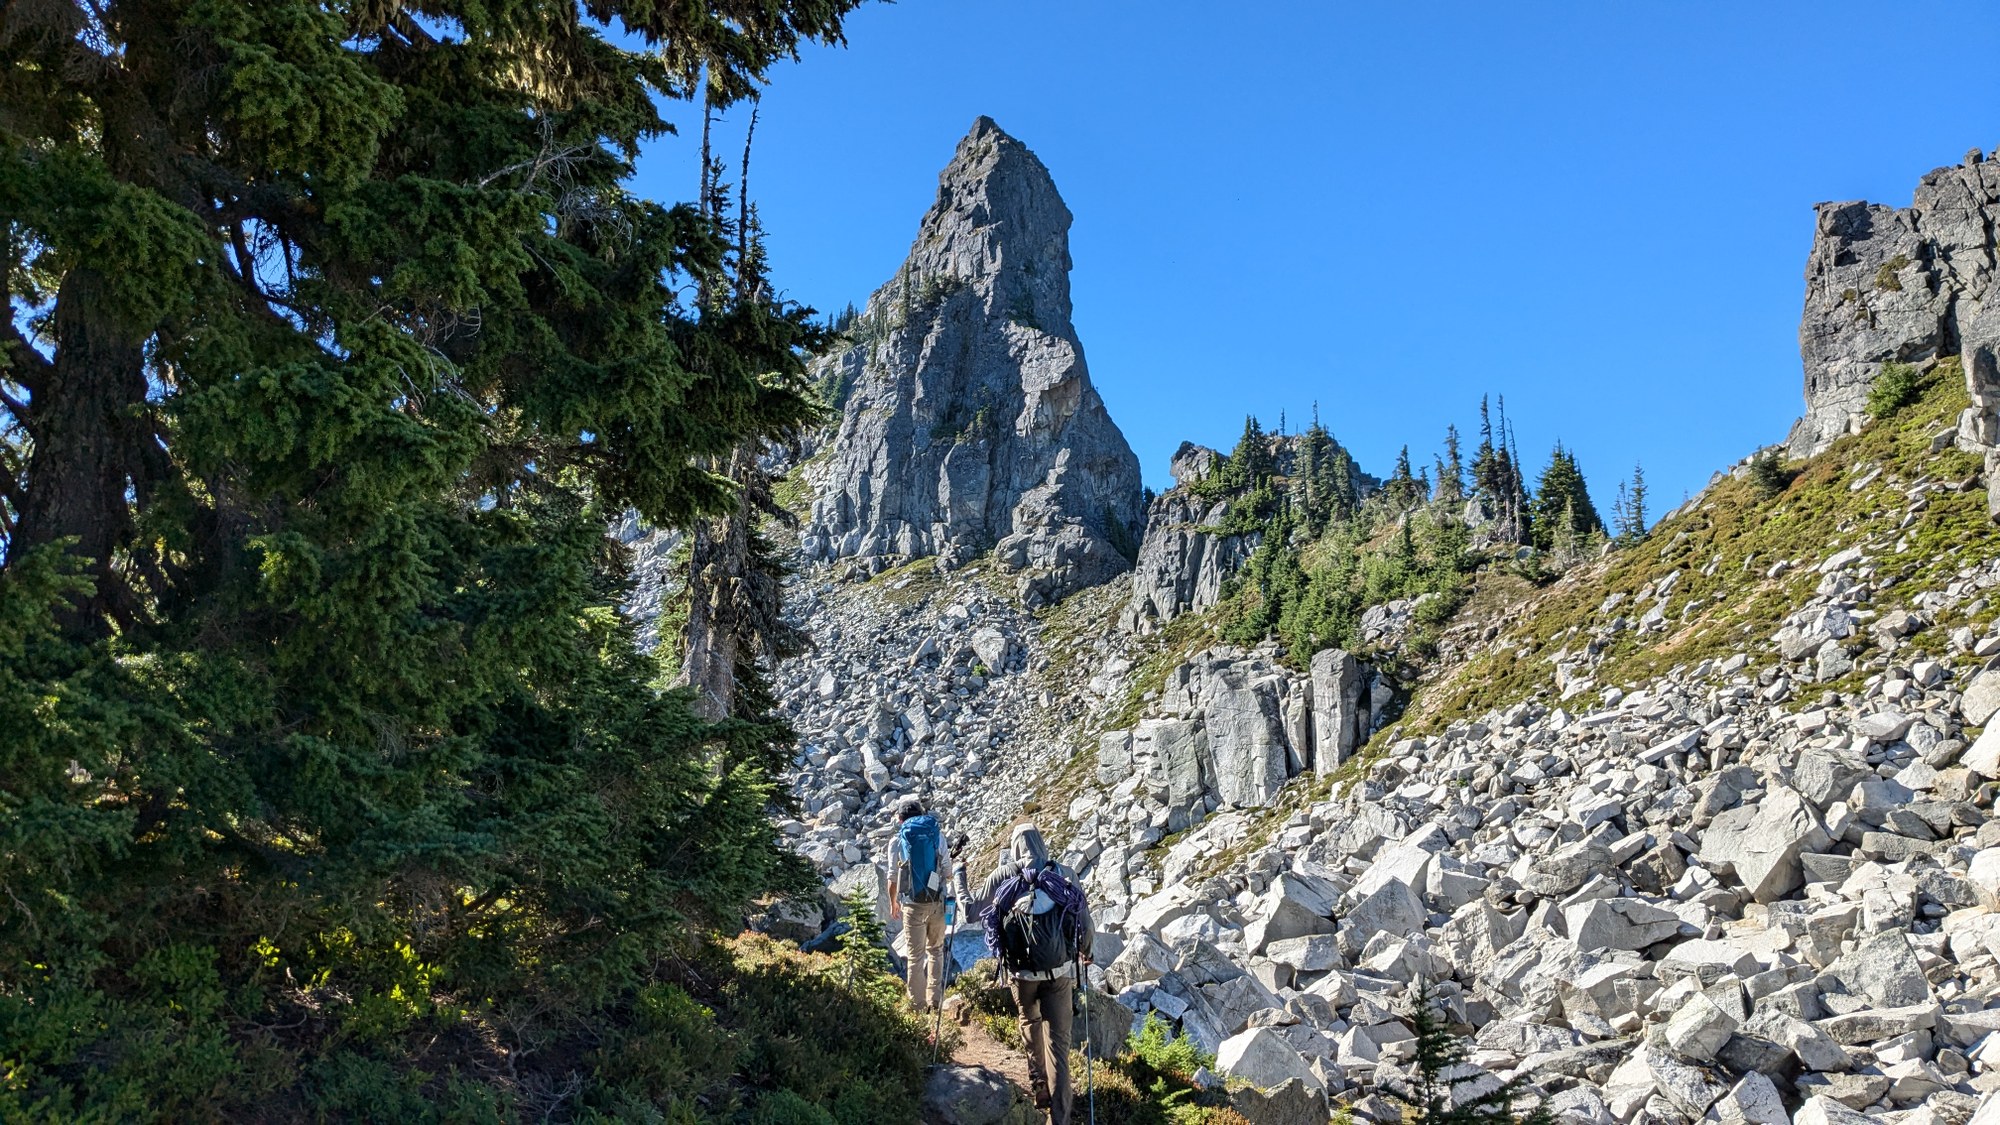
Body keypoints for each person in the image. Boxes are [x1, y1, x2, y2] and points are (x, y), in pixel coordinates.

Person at [983, 823, 1094, 1125]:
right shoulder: (1063, 873)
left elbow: (972, 912)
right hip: (1059, 971)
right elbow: (1082, 915)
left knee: (1029, 1021)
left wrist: (963, 876)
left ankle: (1038, 1083)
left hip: (1021, 973)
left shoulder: (1003, 875)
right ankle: (1061, 1118)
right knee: (1058, 1044)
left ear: (1016, 846)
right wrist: (1086, 950)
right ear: (1041, 844)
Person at [885, 795, 952, 1013]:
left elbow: (892, 878)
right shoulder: (936, 835)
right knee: (936, 950)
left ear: (900, 819)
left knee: (915, 957)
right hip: (937, 902)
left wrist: (894, 902)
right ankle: (935, 1001)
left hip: (912, 905)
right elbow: (948, 872)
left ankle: (917, 1006)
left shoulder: (897, 841)